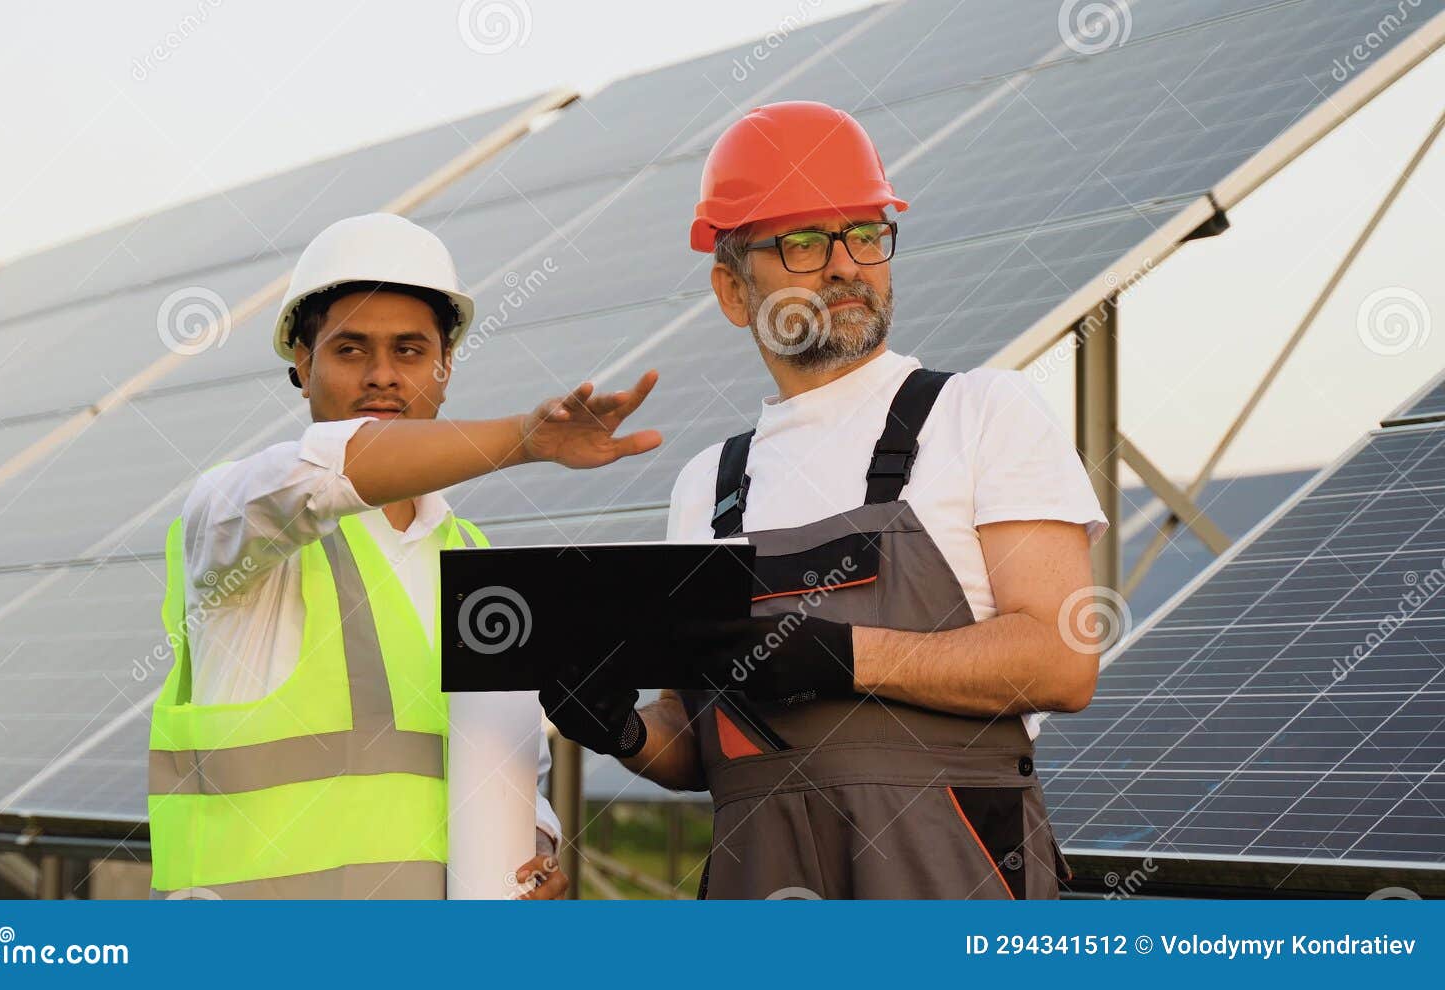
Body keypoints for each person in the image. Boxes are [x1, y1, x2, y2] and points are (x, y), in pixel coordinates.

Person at [541, 102, 1107, 899]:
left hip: (952, 881)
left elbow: (1061, 659)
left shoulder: (981, 413)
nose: (845, 265)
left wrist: (840, 657)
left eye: (865, 233)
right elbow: (700, 745)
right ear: (733, 292)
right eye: (802, 243)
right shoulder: (706, 486)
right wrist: (623, 731)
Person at [148, 212, 660, 899]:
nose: (382, 376)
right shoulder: (236, 513)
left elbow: (510, 765)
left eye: (411, 351)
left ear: (446, 367)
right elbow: (333, 466)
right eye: (350, 350)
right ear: (300, 364)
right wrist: (522, 438)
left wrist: (533, 855)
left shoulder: (478, 563)